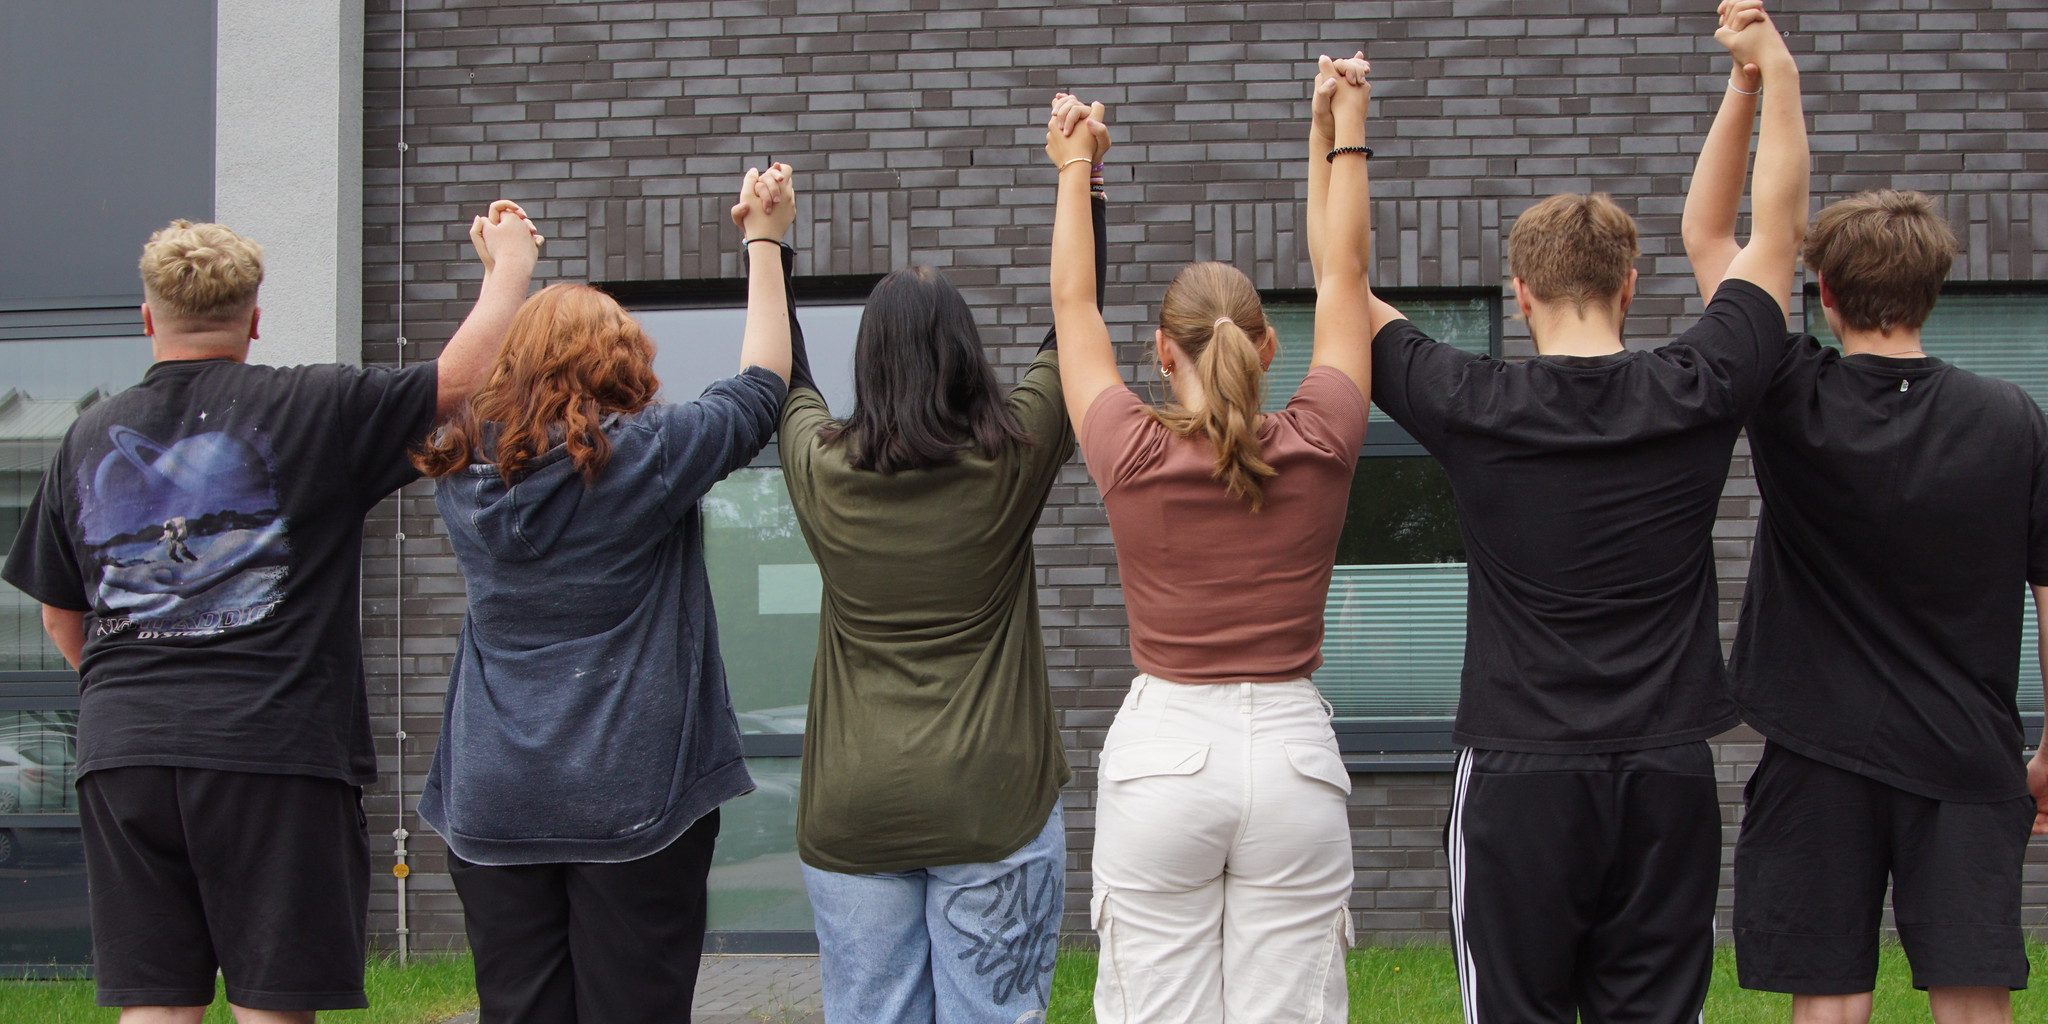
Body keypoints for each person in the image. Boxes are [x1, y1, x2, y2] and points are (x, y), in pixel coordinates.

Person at [1366, 10, 1809, 1020]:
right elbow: (1772, 231)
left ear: (1517, 292)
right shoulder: (1696, 384)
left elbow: (1345, 286)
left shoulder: (1470, 401)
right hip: (1662, 772)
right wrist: (1760, 77)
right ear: (1629, 280)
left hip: (1520, 773)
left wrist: (1338, 132)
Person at [0, 204, 540, 1022]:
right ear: (254, 322)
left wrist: (136, 697)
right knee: (274, 1005)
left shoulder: (85, 439)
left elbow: (57, 618)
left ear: (148, 318)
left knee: (153, 1005)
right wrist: (508, 264)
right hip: (274, 749)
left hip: (125, 755)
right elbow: (459, 382)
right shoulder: (316, 407)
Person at [1682, 6, 2048, 1021]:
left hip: (1815, 752)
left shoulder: (1789, 394)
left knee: (1829, 1004)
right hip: (1967, 755)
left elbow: (1710, 234)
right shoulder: (2013, 420)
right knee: (1973, 999)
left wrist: (1755, 83)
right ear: (1934, 286)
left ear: (1823, 292)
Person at [411, 166, 796, 1024]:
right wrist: (764, 240)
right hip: (634, 807)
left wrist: (499, 276)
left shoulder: (459, 474)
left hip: (493, 804)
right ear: (619, 362)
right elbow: (766, 382)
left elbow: (455, 385)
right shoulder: (646, 461)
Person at [1053, 65, 1376, 1020]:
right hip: (1291, 761)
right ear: (1270, 348)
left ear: (1162, 350)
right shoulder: (1321, 438)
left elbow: (1073, 311)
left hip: (1165, 756)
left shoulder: (1132, 448)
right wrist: (1339, 129)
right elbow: (1344, 278)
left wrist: (1077, 164)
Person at [772, 128, 1096, 1024]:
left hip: (854, 812)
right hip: (992, 801)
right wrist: (1082, 177)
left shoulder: (824, 471)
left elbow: (780, 370)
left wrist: (768, 243)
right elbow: (1072, 321)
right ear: (965, 355)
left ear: (869, 363)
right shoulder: (1008, 462)